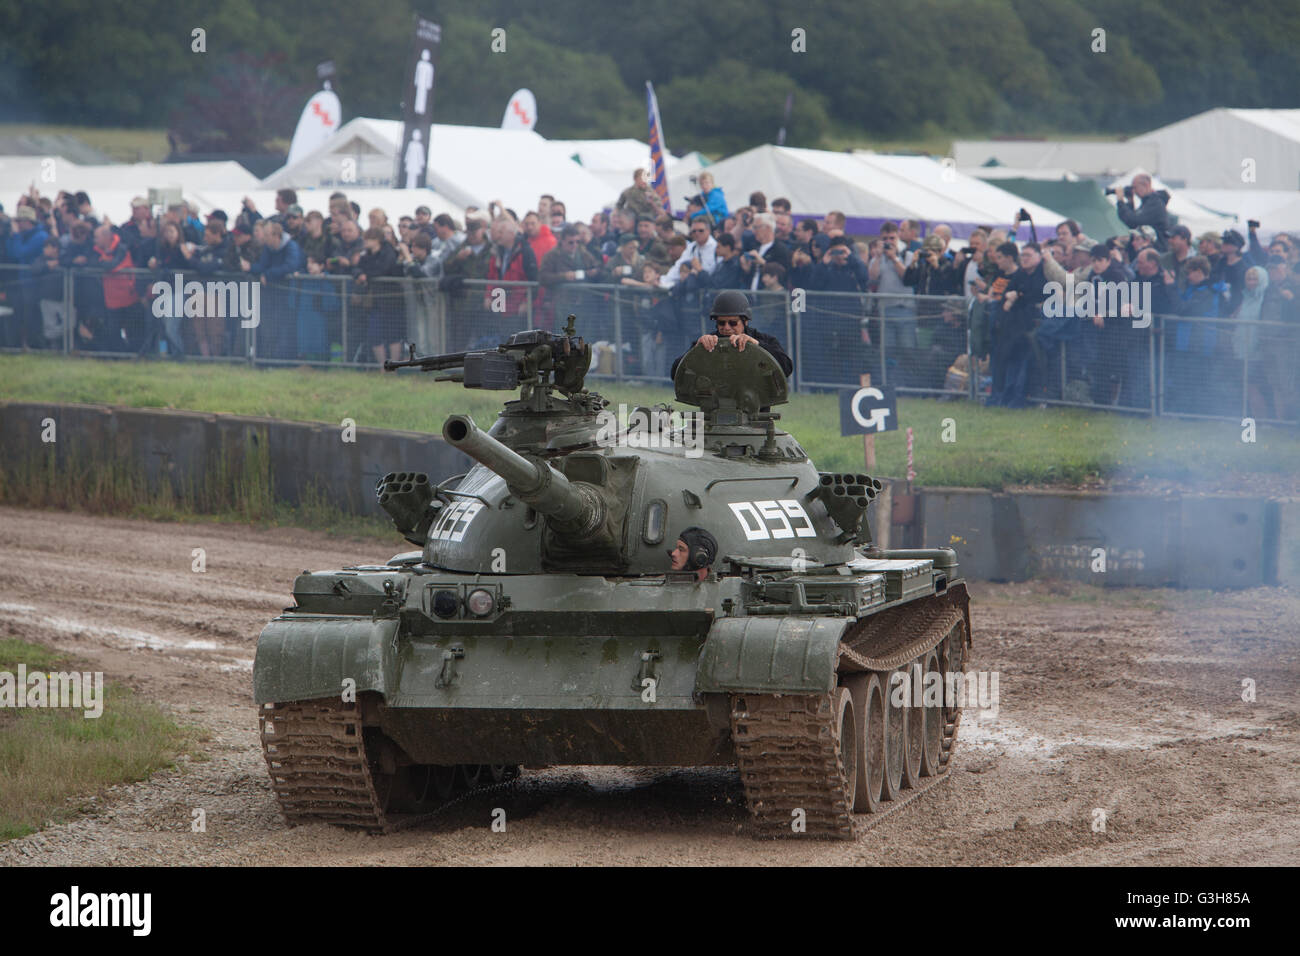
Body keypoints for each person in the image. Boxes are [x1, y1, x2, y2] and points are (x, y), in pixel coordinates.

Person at [670, 290, 792, 379]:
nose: (726, 328)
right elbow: (675, 373)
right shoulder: (707, 343)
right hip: (713, 410)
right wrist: (697, 350)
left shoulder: (764, 340)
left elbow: (786, 368)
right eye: (721, 323)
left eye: (733, 323)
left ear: (746, 321)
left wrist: (757, 345)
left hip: (755, 411)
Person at [1115, 173, 1171, 248]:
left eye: (1135, 187)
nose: (1134, 191)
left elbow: (1135, 221)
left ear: (1146, 185)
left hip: (1156, 250)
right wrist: (1130, 202)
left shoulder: (1155, 203)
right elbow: (1133, 225)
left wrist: (1120, 202)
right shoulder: (1147, 203)